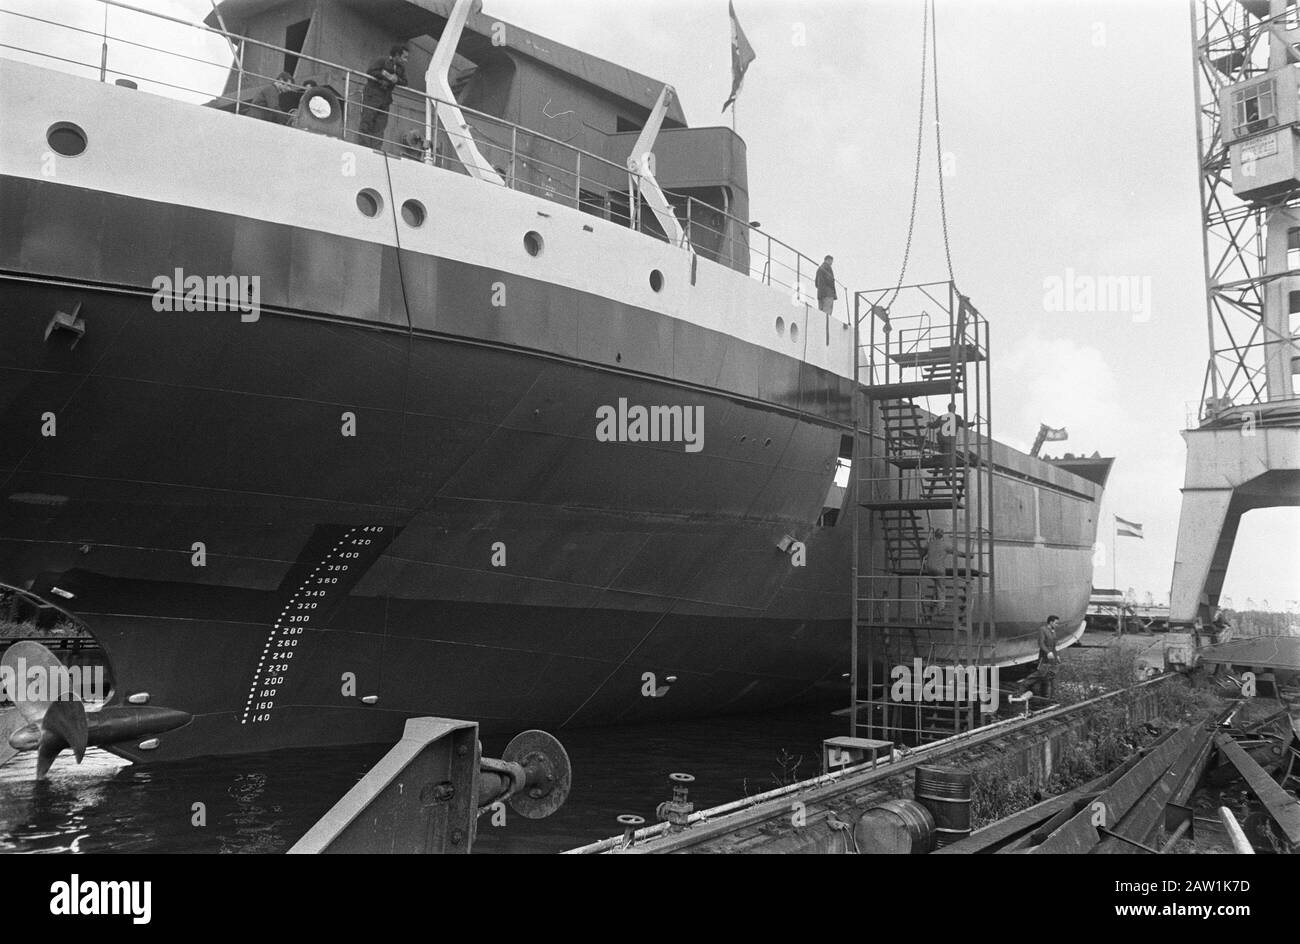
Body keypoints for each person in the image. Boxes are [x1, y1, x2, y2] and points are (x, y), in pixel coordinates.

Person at [359, 44, 410, 148]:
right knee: (367, 122)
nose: (405, 60)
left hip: (385, 99)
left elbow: (405, 82)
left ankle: (376, 149)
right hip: (373, 95)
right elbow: (371, 72)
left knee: (380, 126)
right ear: (397, 55)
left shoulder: (400, 68)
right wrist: (386, 75)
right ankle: (363, 147)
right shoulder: (382, 60)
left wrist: (396, 80)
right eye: (404, 57)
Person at [1011, 615, 1061, 702]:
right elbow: (1041, 643)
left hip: (1052, 659)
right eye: (1056, 623)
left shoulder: (1053, 631)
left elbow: (1053, 646)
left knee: (1048, 677)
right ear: (1051, 622)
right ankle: (1019, 691)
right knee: (1039, 675)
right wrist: (1047, 652)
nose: (1057, 625)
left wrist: (1057, 656)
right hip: (1044, 658)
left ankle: (1045, 699)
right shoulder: (1043, 630)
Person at [926, 402, 967, 468]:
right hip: (949, 440)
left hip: (940, 439)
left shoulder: (942, 417)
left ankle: (938, 468)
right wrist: (972, 423)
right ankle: (945, 474)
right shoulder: (957, 417)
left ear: (948, 409)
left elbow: (934, 425)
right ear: (954, 409)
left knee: (942, 454)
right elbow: (964, 424)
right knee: (947, 457)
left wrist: (929, 424)